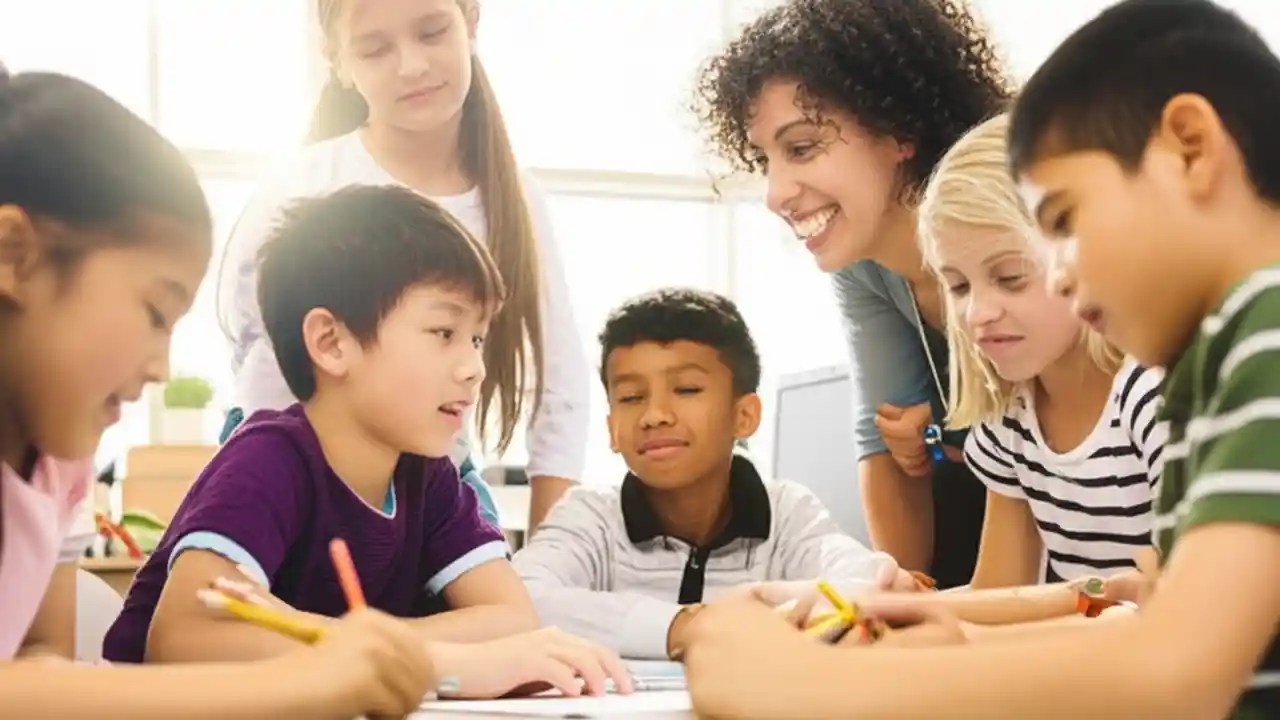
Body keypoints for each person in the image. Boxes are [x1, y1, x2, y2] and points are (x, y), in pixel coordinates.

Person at [681, 1, 1280, 717]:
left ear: (1190, 147)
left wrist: (810, 686)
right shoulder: (1211, 372)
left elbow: (1179, 672)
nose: (1058, 275)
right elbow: (1140, 615)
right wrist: (909, 629)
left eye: (1062, 221)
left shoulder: (1264, 331)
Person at [0, 69, 435, 719]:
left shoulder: (61, 465)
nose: (161, 367)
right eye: (154, 311)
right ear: (14, 256)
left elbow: (35, 666)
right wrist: (301, 680)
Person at [105, 186, 630, 699]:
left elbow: (512, 620)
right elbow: (187, 637)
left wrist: (322, 636)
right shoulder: (267, 460)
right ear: (332, 343)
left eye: (477, 338)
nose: (473, 368)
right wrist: (438, 662)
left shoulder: (431, 477)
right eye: (443, 333)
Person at [218, 0, 587, 532]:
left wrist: (550, 554)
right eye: (374, 48)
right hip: (290, 462)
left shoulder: (517, 200)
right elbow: (255, 346)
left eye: (433, 32)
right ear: (339, 62)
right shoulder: (305, 181)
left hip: (435, 474)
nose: (411, 66)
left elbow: (561, 388)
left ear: (472, 24)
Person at [694, 0, 1010, 587]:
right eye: (766, 158)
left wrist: (959, 433)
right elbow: (884, 437)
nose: (775, 192)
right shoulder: (864, 263)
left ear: (900, 129)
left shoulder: (1009, 225)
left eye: (803, 147)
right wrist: (900, 602)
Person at [513, 289, 913, 659]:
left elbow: (865, 581)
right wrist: (687, 627)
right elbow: (519, 598)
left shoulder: (788, 514)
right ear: (612, 429)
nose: (654, 416)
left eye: (686, 390)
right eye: (631, 398)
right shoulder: (591, 517)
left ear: (744, 416)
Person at [916, 112, 1165, 586]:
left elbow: (1187, 612)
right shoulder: (1011, 416)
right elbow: (1000, 591)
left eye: (1010, 278)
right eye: (959, 285)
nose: (978, 313)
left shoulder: (1153, 397)